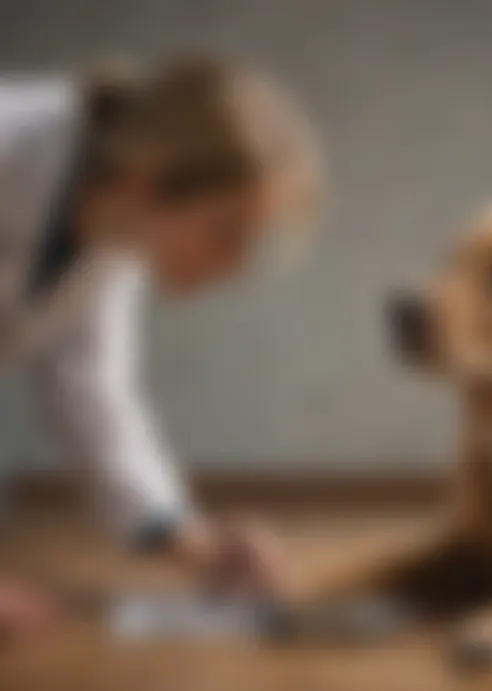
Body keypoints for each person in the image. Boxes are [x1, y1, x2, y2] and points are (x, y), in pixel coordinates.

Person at [0, 54, 322, 640]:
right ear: (147, 183)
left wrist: (195, 546)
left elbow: (92, 398)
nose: (239, 268)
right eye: (229, 232)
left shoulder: (111, 229)